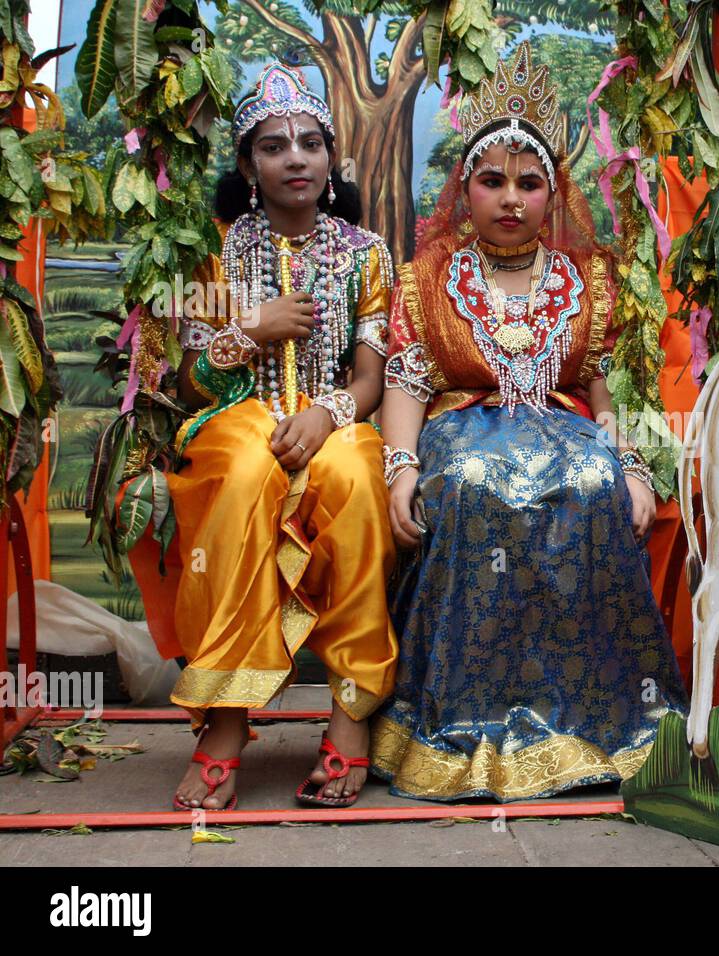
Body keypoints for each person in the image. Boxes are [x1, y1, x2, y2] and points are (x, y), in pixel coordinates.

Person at [371, 41, 687, 802]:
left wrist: (633, 468)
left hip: (566, 428)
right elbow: (407, 377)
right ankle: (468, 729)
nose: (510, 198)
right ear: (466, 188)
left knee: (592, 483)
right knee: (480, 485)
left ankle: (604, 728)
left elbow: (608, 384)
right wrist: (401, 468)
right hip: (461, 432)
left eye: (528, 182)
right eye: (492, 180)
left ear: (552, 192)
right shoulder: (425, 279)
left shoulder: (592, 279)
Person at [168, 64, 397, 811]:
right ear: (248, 166)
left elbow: (370, 378)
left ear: (331, 159)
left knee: (358, 480)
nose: (294, 157)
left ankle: (351, 713)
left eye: (308, 143)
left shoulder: (365, 252)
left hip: (334, 416)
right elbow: (186, 386)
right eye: (273, 146)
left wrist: (329, 413)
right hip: (241, 415)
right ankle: (225, 723)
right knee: (238, 474)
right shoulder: (216, 254)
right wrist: (248, 331)